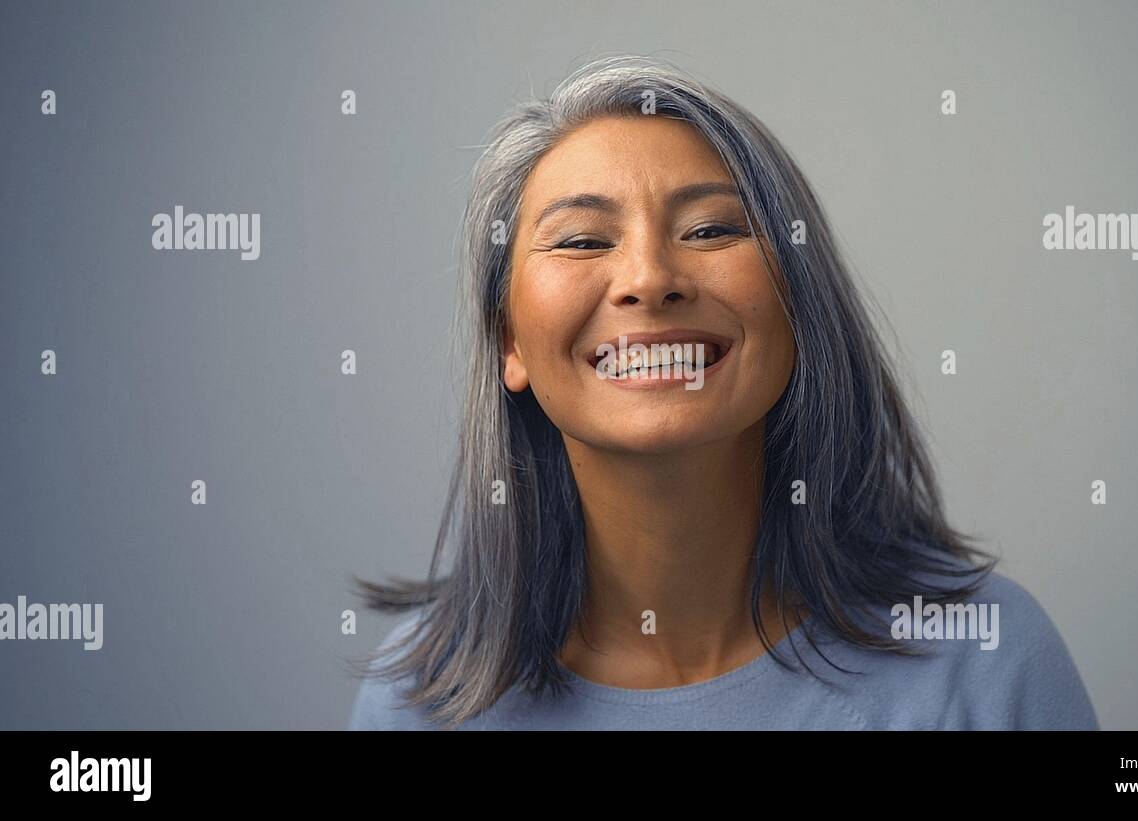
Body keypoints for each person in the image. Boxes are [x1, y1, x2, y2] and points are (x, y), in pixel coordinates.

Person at [346, 54, 1099, 731]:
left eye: (710, 230)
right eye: (581, 240)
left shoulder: (990, 661)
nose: (648, 278)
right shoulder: (419, 699)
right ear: (510, 341)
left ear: (799, 306)